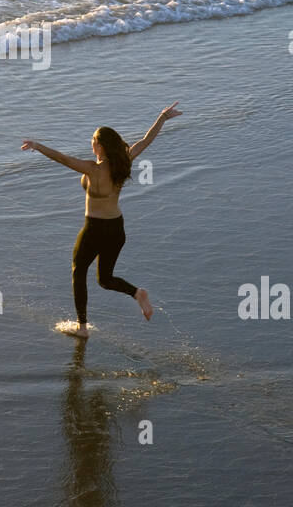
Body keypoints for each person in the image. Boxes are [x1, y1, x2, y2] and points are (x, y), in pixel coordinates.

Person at [21, 103, 182, 337]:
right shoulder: (123, 162)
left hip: (95, 229)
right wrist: (162, 117)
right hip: (117, 229)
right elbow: (146, 141)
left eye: (93, 140)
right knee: (105, 279)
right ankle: (138, 293)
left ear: (100, 146)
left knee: (78, 272)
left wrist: (38, 146)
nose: (91, 143)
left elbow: (62, 159)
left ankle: (83, 327)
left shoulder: (92, 170)